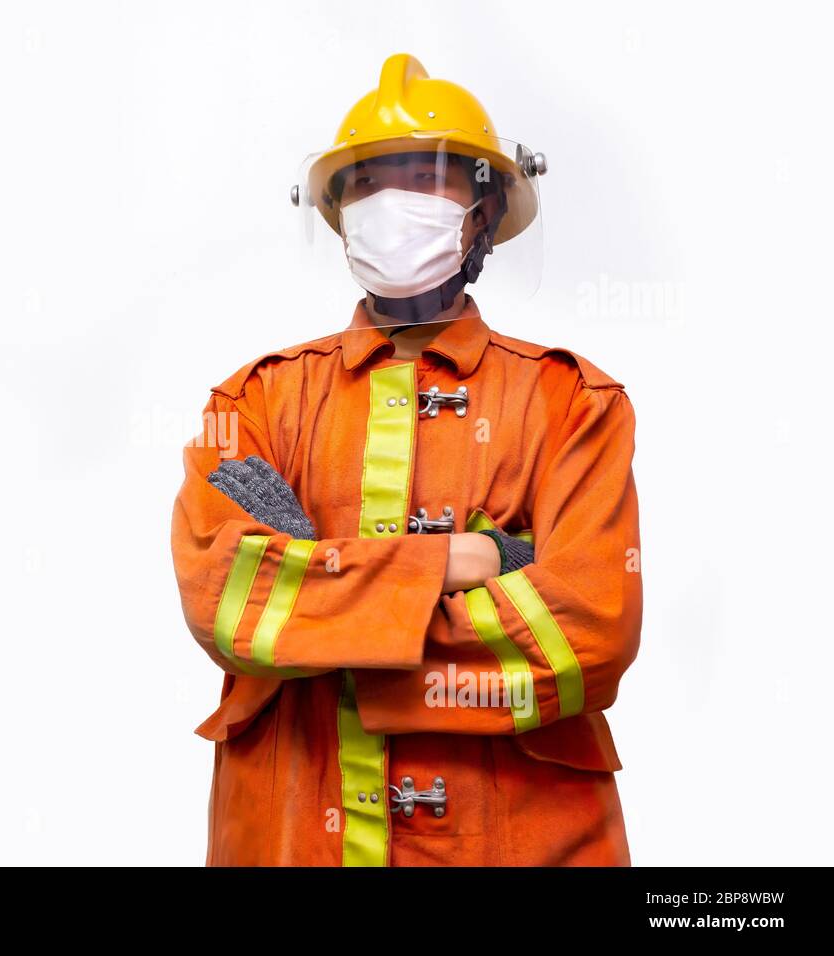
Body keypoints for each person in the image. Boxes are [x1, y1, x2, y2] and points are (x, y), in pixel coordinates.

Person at [170, 53, 642, 866]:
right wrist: (469, 560)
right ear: (336, 211)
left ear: (484, 209)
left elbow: (586, 636)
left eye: (426, 177)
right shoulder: (251, 404)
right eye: (365, 184)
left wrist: (322, 590)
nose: (392, 206)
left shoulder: (575, 405)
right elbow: (228, 601)